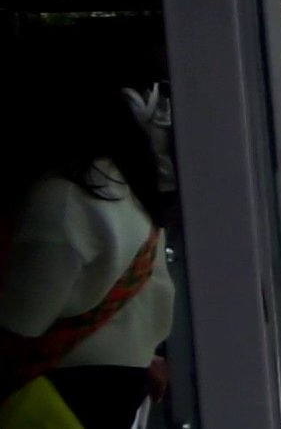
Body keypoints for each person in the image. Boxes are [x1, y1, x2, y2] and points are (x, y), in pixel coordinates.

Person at [1, 51, 175, 429]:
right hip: (122, 378)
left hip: (61, 391)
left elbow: (19, 323)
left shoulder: (61, 198)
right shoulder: (125, 182)